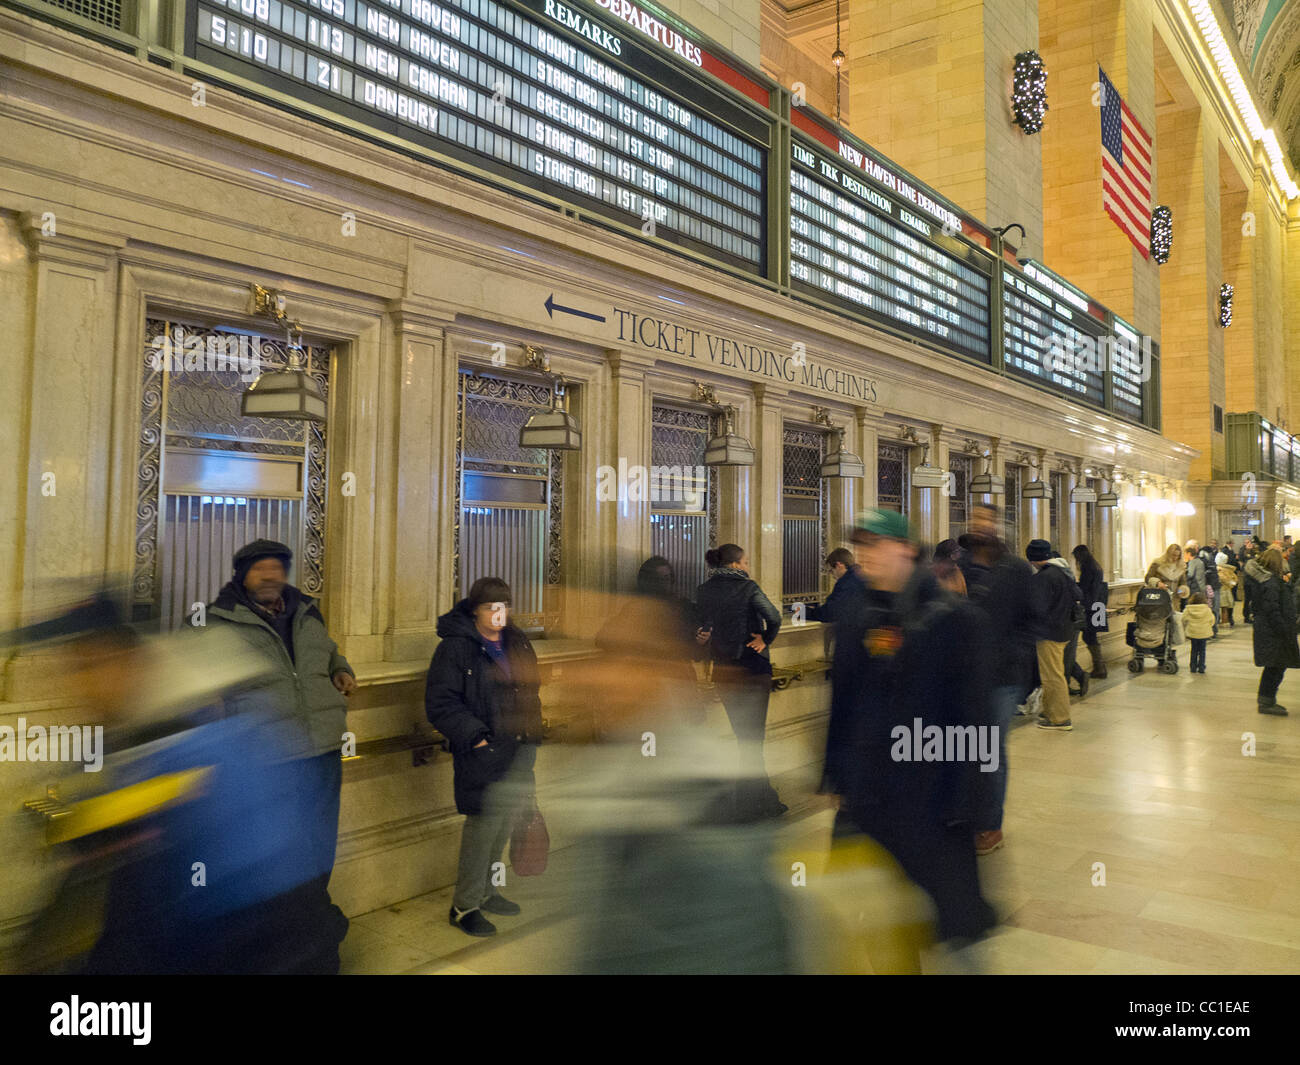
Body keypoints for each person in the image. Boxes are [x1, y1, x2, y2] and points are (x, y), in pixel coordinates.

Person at [823, 508, 997, 952]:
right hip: (868, 797)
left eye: (875, 546)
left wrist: (972, 805)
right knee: (861, 920)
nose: (866, 558)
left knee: (951, 926)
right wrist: (836, 774)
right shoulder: (861, 614)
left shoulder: (956, 620)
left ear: (906, 549)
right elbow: (845, 701)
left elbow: (977, 721)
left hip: (934, 802)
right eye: (860, 547)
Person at [207, 538, 355, 969]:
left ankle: (312, 939)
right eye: (260, 569)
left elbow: (326, 652)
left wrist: (341, 669)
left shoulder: (307, 612)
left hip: (323, 746)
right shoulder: (218, 622)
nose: (271, 576)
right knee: (278, 857)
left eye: (277, 568)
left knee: (319, 847)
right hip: (268, 756)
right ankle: (295, 945)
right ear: (242, 576)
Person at [425, 577, 544, 936]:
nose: (498, 612)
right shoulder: (457, 648)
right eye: (491, 606)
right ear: (475, 608)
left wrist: (534, 731)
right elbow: (442, 703)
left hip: (520, 744)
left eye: (503, 605)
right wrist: (476, 738)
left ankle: (490, 890)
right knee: (482, 827)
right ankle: (465, 906)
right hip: (484, 749)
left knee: (505, 821)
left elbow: (531, 687)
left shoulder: (517, 641)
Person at [960, 504, 1038, 857]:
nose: (980, 525)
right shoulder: (960, 565)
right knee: (962, 749)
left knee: (989, 751)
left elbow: (1032, 620)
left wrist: (1013, 655)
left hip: (1002, 678)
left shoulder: (1016, 570)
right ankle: (965, 814)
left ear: (997, 527)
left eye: (986, 520)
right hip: (962, 676)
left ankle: (990, 825)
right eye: (975, 519)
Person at [695, 544, 786, 820]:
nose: (747, 567)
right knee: (753, 738)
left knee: (743, 736)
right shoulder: (748, 588)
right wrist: (764, 639)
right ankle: (752, 803)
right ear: (735, 564)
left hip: (723, 672)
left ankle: (762, 797)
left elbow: (703, 630)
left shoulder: (704, 590)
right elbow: (774, 617)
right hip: (752, 669)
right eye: (745, 562)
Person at [1027, 539, 1079, 732]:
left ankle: (1060, 719)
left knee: (1052, 676)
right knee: (1054, 673)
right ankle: (1049, 713)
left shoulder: (1043, 578)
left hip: (1050, 632)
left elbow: (1037, 607)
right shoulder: (1063, 572)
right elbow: (1078, 594)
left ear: (1033, 559)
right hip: (1065, 629)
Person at [1246, 548, 1297, 716]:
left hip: (1269, 631)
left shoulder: (1267, 581)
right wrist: (1284, 628)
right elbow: (1272, 609)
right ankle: (1266, 702)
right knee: (1274, 667)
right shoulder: (1271, 583)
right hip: (1273, 633)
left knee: (1276, 666)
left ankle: (1268, 700)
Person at [1048, 550, 1088, 697]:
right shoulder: (1067, 574)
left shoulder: (1060, 576)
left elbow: (1079, 594)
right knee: (1065, 655)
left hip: (1067, 622)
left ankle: (1066, 687)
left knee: (1066, 656)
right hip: (1069, 622)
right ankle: (1076, 679)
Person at [806, 547, 868, 627]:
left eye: (831, 571)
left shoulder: (847, 583)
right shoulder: (861, 577)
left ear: (839, 565)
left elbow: (831, 613)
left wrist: (805, 612)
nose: (833, 576)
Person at [1072, 544, 1109, 679]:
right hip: (1098, 604)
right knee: (1092, 635)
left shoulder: (1088, 567)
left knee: (1089, 635)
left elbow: (1084, 587)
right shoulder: (1096, 565)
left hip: (1091, 606)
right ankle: (1100, 666)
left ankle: (1099, 667)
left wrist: (1073, 586)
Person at [1145, 544, 1187, 608]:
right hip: (1157, 598)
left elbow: (1182, 584)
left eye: (1177, 556)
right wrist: (1157, 583)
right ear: (1169, 554)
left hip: (1174, 601)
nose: (1175, 558)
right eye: (1173, 555)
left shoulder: (1180, 567)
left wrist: (1181, 591)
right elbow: (1147, 578)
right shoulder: (1157, 563)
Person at [1182, 593, 1215, 674]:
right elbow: (1212, 620)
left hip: (1193, 633)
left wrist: (1186, 626)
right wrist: (1208, 626)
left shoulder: (1188, 609)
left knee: (1194, 650)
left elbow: (1183, 619)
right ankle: (1201, 667)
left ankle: (1193, 667)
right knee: (1202, 650)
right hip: (1203, 633)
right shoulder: (1207, 609)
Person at [1216, 550, 1238, 628]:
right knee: (1226, 607)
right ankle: (1227, 620)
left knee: (1224, 607)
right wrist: (1232, 584)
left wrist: (1229, 583)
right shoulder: (1229, 569)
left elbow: (1223, 579)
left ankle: (1224, 621)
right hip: (1227, 590)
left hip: (1222, 590)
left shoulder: (1219, 569)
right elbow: (1234, 579)